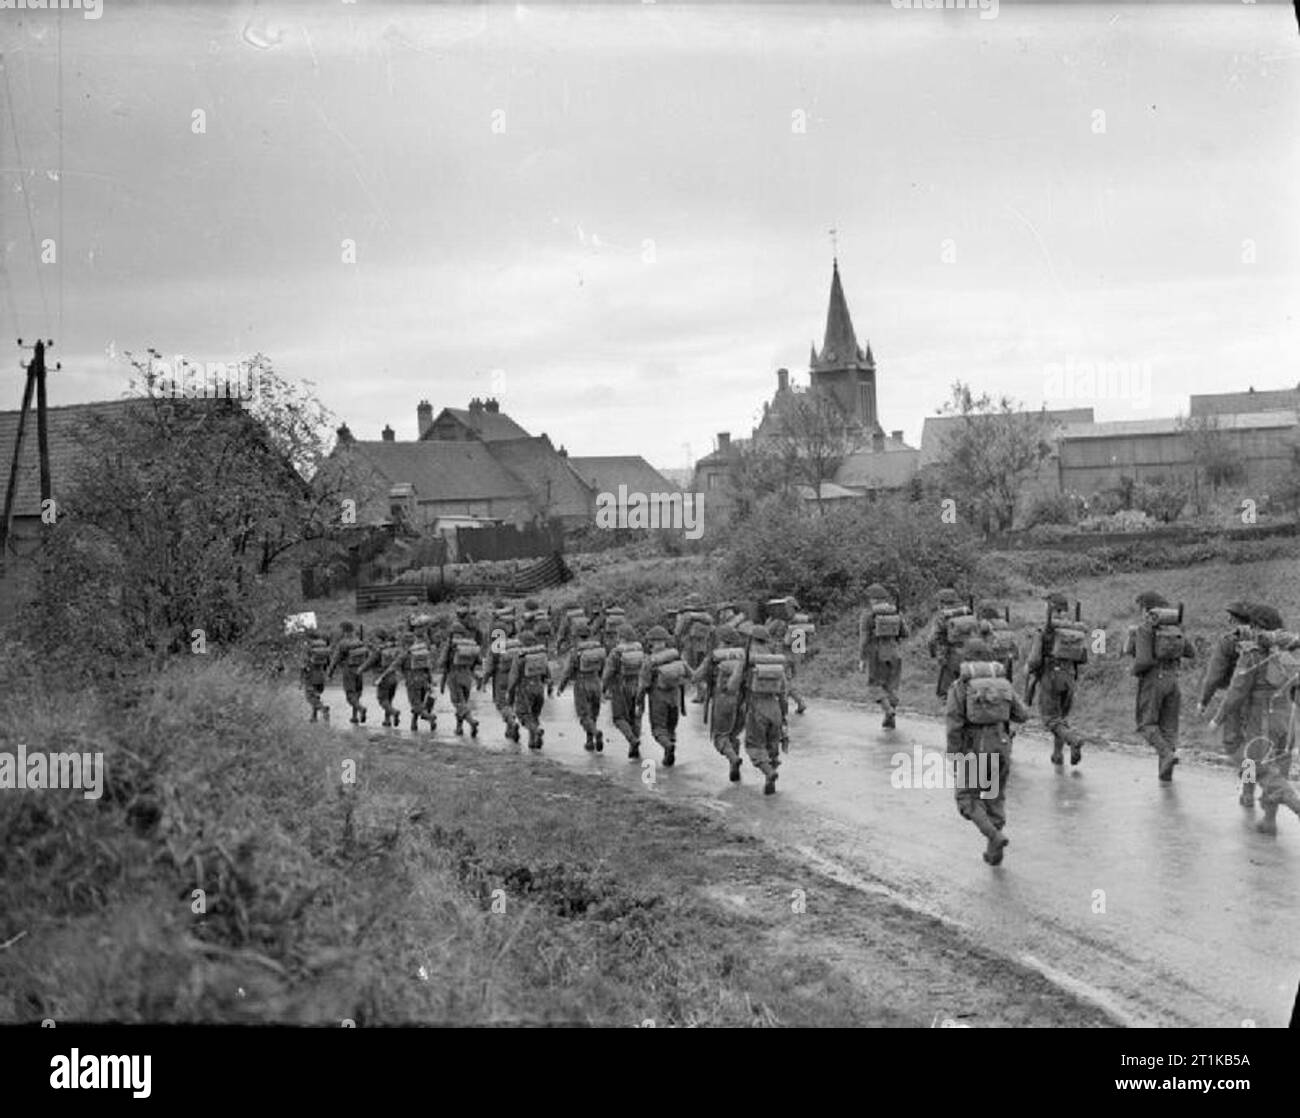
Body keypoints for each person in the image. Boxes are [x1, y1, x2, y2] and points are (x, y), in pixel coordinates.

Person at [1211, 611, 1300, 834]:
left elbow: (1236, 691)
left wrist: (1217, 718)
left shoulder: (1251, 654)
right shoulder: (1290, 653)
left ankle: (1290, 801)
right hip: (1288, 719)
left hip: (1261, 717)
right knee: (1278, 767)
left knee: (1254, 762)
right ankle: (1268, 819)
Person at [945, 638, 1028, 865]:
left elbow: (954, 724)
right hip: (1002, 746)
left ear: (967, 659)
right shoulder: (1003, 683)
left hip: (976, 748)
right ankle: (994, 851)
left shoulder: (960, 686)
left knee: (967, 798)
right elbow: (1022, 714)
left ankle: (994, 836)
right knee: (993, 797)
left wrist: (954, 756)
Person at [1130, 591, 1195, 782]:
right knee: (1168, 727)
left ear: (1146, 609)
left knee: (1146, 724)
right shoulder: (1175, 628)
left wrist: (1134, 671)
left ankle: (1166, 755)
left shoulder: (1145, 628)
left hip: (1153, 680)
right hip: (1173, 680)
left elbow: (1143, 661)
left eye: (1141, 608)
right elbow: (1191, 652)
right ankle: (1166, 772)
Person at [1198, 600, 1258, 797]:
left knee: (1233, 743)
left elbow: (1214, 676)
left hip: (1237, 698)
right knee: (1252, 744)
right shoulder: (1263, 638)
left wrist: (1203, 701)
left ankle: (1252, 778)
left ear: (1232, 618)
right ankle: (1248, 792)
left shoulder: (1228, 641)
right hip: (1263, 701)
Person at [1025, 591, 1088, 767]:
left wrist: (1028, 668)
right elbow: (1083, 657)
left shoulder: (1045, 630)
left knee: (1050, 719)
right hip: (1069, 678)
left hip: (1051, 677)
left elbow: (1034, 659)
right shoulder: (1075, 630)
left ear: (1050, 608)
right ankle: (1057, 754)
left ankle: (1073, 740)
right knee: (1061, 717)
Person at [728, 622, 787, 794]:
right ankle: (772, 773)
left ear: (751, 639)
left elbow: (732, 685)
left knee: (754, 745)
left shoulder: (748, 659)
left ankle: (768, 773)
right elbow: (784, 690)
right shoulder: (774, 660)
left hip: (756, 706)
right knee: (772, 746)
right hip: (774, 707)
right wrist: (783, 715)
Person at [694, 624, 747, 781]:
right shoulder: (744, 655)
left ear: (721, 640)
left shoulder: (714, 656)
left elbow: (697, 676)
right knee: (733, 736)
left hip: (723, 701)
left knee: (720, 737)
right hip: (742, 701)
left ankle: (733, 759)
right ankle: (734, 769)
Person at [859, 583, 908, 729]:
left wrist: (862, 658)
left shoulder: (868, 615)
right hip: (895, 653)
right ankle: (890, 718)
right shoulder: (896, 612)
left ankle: (888, 711)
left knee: (874, 686)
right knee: (891, 686)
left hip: (877, 654)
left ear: (874, 599)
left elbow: (864, 639)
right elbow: (906, 633)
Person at [640, 625, 688, 767]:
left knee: (658, 730)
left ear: (651, 642)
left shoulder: (650, 660)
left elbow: (644, 684)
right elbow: (683, 678)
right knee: (671, 728)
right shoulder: (675, 655)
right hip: (675, 697)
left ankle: (667, 747)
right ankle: (669, 752)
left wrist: (639, 702)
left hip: (658, 698)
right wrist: (683, 705)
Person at [557, 621, 608, 752]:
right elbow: (604, 667)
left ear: (577, 636)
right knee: (593, 714)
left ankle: (596, 733)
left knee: (584, 715)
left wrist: (561, 687)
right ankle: (590, 741)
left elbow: (568, 671)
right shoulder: (598, 649)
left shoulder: (576, 652)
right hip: (596, 682)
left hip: (582, 684)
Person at [603, 623, 646, 758]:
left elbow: (608, 673)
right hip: (638, 685)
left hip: (621, 686)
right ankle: (634, 747)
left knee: (619, 717)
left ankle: (632, 740)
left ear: (620, 636)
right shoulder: (639, 648)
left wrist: (603, 688)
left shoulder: (616, 652)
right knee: (635, 717)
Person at [508, 627, 551, 750]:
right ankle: (532, 741)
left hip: (525, 689)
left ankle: (536, 731)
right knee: (534, 715)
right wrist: (549, 687)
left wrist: (510, 694)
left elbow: (513, 678)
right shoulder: (541, 655)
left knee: (523, 714)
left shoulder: (520, 656)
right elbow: (547, 673)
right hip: (539, 688)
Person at [440, 621, 483, 737]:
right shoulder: (469, 644)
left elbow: (442, 663)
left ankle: (471, 722)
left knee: (459, 704)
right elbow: (479, 661)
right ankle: (459, 728)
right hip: (467, 678)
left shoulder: (449, 645)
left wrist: (442, 683)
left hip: (454, 677)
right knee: (463, 703)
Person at [927, 588, 970, 699]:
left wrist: (933, 653)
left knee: (945, 690)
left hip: (950, 653)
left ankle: (947, 710)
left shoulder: (943, 615)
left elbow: (932, 638)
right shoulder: (966, 611)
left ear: (942, 601)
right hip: (969, 652)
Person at [482, 626, 523, 742]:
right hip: (516, 677)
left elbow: (489, 668)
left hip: (501, 678)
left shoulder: (495, 646)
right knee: (511, 702)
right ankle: (509, 729)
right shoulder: (517, 644)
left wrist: (484, 682)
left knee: (501, 704)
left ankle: (512, 722)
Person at [674, 593, 715, 704]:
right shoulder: (705, 616)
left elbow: (677, 632)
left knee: (689, 669)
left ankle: (701, 690)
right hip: (705, 646)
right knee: (702, 669)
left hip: (690, 646)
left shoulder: (686, 616)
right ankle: (702, 693)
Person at [327, 621, 370, 724]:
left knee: (350, 695)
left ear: (343, 630)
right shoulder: (359, 641)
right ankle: (354, 717)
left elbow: (335, 659)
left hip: (349, 671)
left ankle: (361, 709)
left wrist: (330, 673)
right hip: (360, 670)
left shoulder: (343, 643)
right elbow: (367, 655)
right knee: (357, 694)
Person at [401, 631, 438, 732]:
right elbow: (428, 668)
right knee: (420, 703)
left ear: (404, 643)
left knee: (416, 705)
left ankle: (429, 717)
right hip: (424, 681)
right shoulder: (422, 653)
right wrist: (430, 681)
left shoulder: (405, 654)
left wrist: (382, 676)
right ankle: (414, 724)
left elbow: (394, 666)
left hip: (412, 682)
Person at [372, 628, 405, 728]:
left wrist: (360, 669)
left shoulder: (379, 650)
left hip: (383, 677)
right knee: (389, 700)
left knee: (382, 700)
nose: (374, 640)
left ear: (379, 639)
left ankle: (394, 712)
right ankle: (387, 720)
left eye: (375, 638)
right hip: (394, 678)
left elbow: (370, 662)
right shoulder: (395, 649)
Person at [301, 633, 331, 722]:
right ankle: (314, 717)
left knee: (309, 697)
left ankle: (323, 709)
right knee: (316, 696)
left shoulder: (309, 647)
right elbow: (327, 662)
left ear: (309, 638)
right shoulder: (324, 647)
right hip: (321, 676)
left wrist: (301, 678)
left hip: (311, 676)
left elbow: (303, 665)